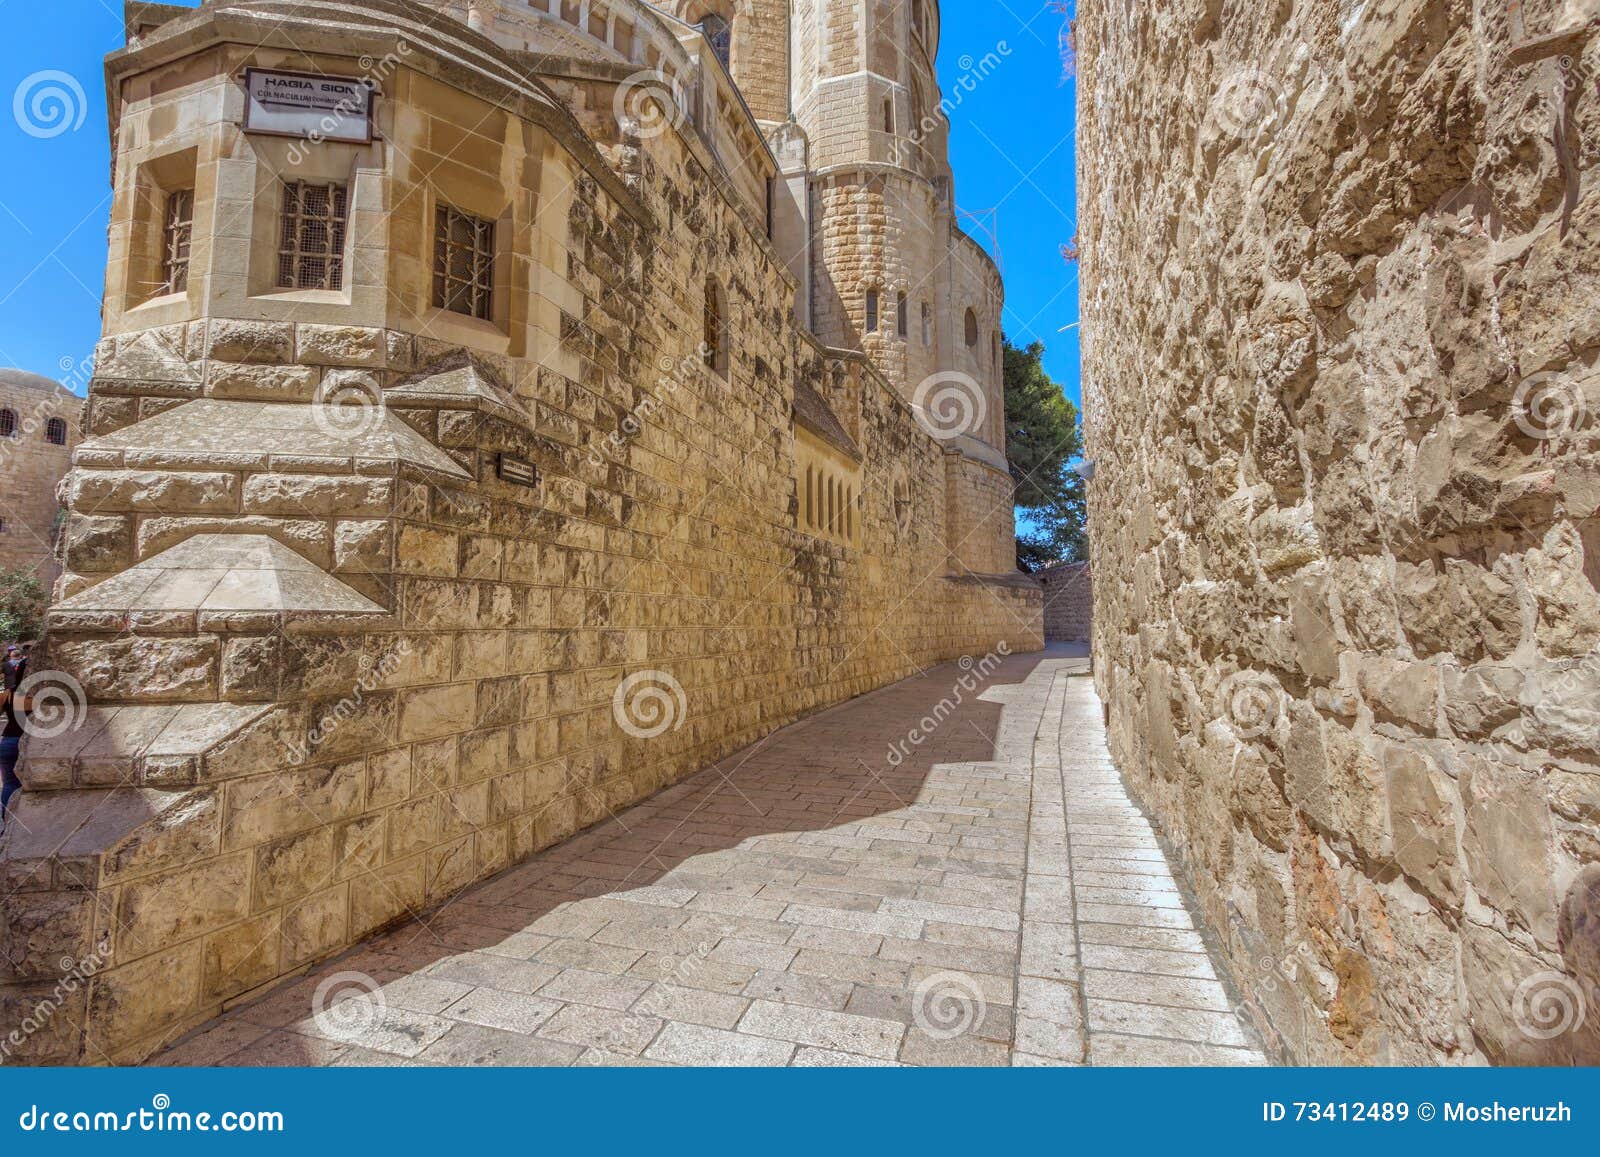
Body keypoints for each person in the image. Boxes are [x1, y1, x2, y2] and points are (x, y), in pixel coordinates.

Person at [1, 645, 27, 832]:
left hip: (8, 740)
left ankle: (7, 824)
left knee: (9, 784)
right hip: (29, 744)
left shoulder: (8, 694)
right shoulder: (38, 696)